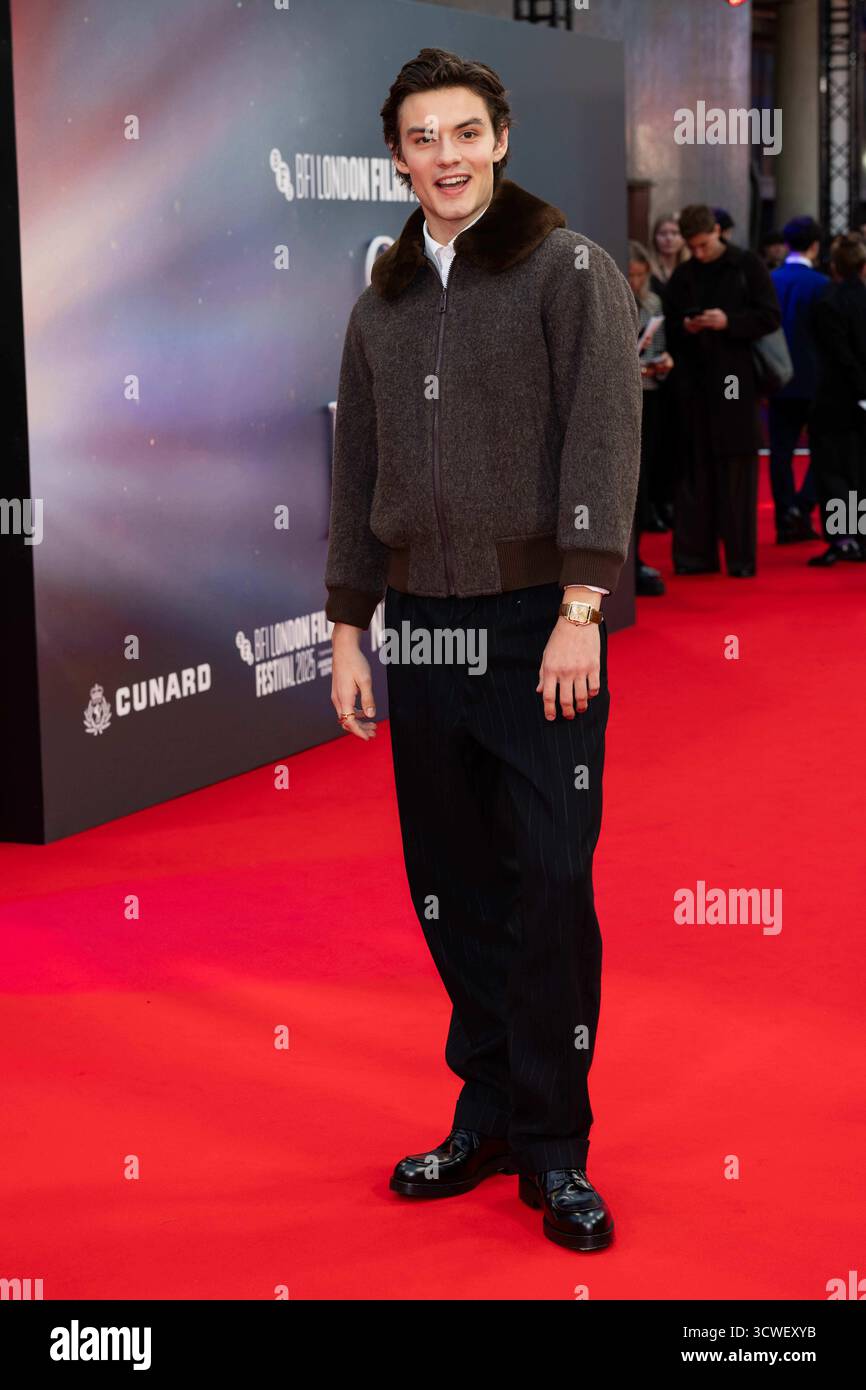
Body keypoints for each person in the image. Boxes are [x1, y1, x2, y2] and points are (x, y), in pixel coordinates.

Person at [324, 47, 641, 1251]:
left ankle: (556, 1149)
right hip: (423, 634)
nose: (444, 157)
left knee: (551, 889)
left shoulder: (569, 269)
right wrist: (351, 625)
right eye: (421, 138)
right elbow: (357, 472)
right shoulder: (381, 301)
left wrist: (577, 611)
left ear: (499, 138)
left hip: (533, 631)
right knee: (451, 894)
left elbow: (604, 441)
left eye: (464, 133)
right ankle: (491, 1111)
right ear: (397, 155)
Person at [665, 204, 781, 577]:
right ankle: (695, 557)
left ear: (718, 231)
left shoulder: (747, 265)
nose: (698, 253)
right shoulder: (683, 275)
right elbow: (669, 324)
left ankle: (740, 558)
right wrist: (690, 326)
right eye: (692, 247)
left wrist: (729, 321)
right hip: (694, 385)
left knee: (737, 474)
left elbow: (770, 316)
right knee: (694, 472)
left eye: (703, 244)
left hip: (737, 383)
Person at [807, 233, 866, 566]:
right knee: (858, 472)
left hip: (834, 399)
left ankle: (843, 539)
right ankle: (860, 536)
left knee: (833, 474)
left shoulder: (828, 301)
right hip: (857, 400)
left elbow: (837, 356)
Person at [768, 217, 828, 544]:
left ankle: (785, 516)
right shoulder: (821, 284)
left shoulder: (770, 279)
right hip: (815, 379)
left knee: (781, 451)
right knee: (822, 450)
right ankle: (803, 507)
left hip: (778, 378)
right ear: (816, 246)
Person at [628, 240, 673, 595]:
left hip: (652, 396)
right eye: (632, 274)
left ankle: (638, 557)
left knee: (645, 482)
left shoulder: (654, 302)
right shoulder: (610, 296)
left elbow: (658, 347)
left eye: (642, 275)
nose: (637, 281)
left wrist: (662, 363)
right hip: (623, 399)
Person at [647, 213, 690, 530]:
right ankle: (656, 505)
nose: (669, 238)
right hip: (653, 362)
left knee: (675, 439)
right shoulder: (648, 274)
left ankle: (671, 502)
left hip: (682, 361)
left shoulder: (687, 271)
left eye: (674, 233)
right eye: (663, 233)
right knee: (655, 440)